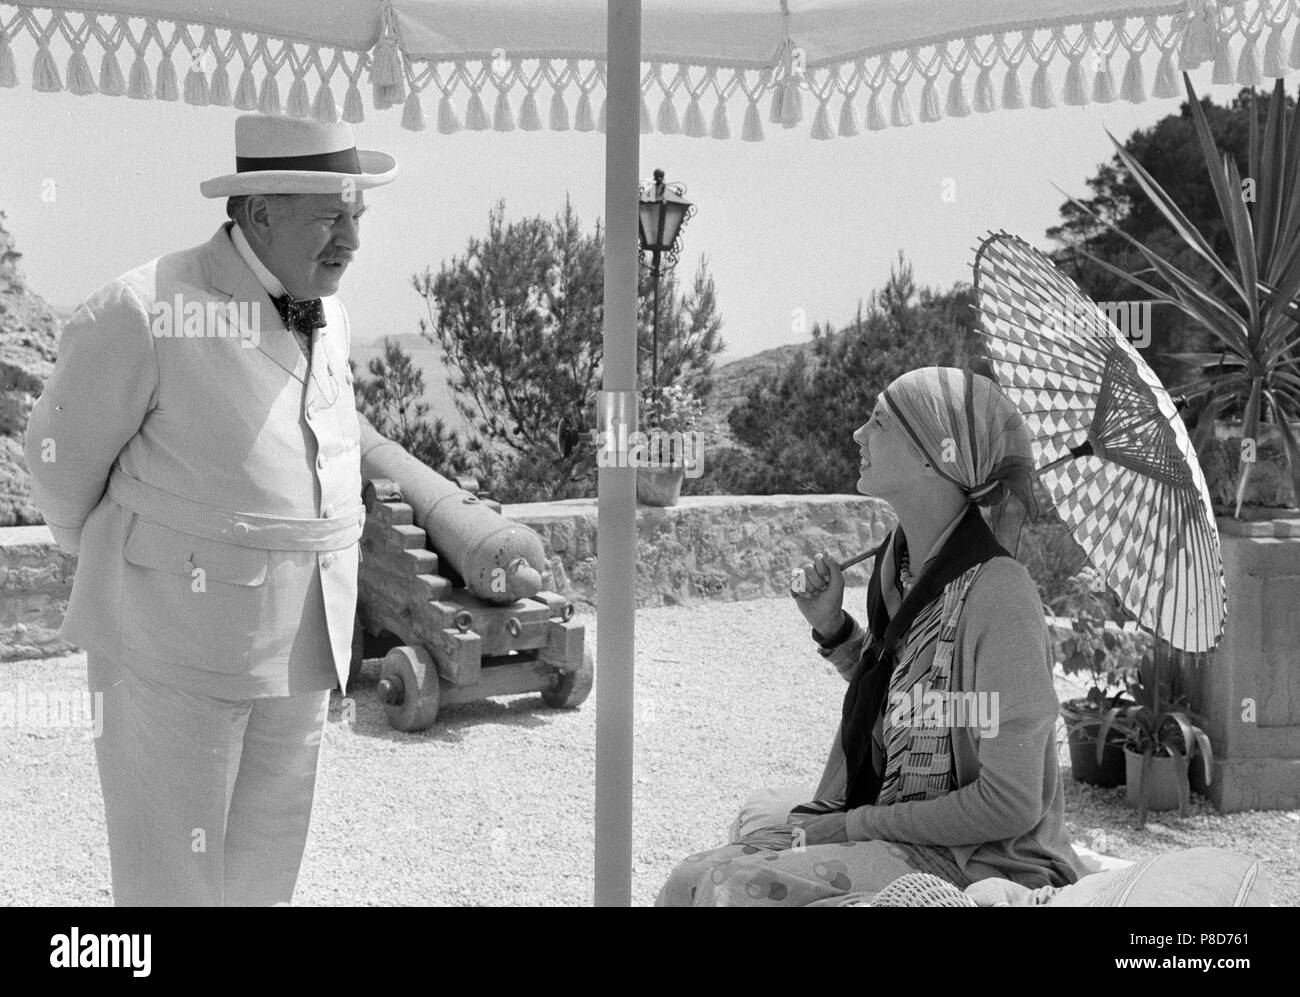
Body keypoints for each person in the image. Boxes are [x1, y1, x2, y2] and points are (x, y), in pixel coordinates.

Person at [24, 114, 397, 905]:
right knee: (171, 884)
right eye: (333, 215)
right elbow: (59, 465)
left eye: (357, 215)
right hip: (167, 655)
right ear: (259, 212)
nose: (352, 241)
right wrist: (129, 564)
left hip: (300, 655)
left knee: (263, 880)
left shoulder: (329, 310)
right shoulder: (144, 307)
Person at [657, 366, 1083, 906]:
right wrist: (834, 630)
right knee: (687, 877)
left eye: (878, 421)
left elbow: (1011, 803)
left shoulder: (1001, 598)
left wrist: (858, 825)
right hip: (890, 824)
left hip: (976, 857)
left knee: (734, 889)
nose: (859, 434)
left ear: (934, 455)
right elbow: (910, 705)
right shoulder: (898, 565)